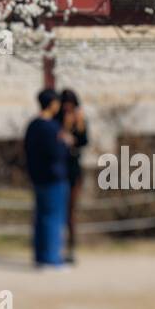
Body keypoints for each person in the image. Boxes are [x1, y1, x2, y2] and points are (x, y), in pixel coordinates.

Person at [23, 88, 68, 269]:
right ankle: (51, 258)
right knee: (53, 218)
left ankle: (40, 256)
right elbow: (58, 152)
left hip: (37, 176)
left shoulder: (33, 125)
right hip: (53, 177)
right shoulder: (51, 127)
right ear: (52, 104)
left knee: (41, 217)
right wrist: (66, 143)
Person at [60, 88, 90, 264]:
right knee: (60, 210)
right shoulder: (57, 120)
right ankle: (58, 246)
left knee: (71, 210)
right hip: (59, 169)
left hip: (73, 169)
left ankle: (71, 247)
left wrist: (77, 127)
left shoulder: (80, 120)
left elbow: (84, 141)